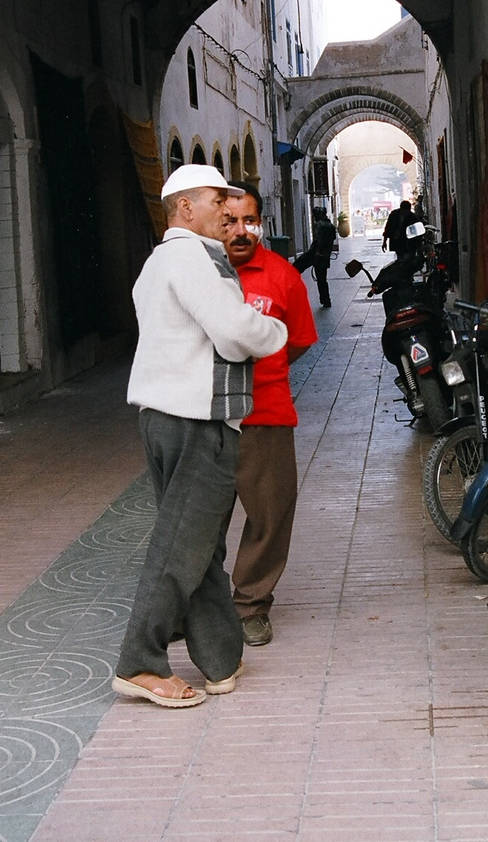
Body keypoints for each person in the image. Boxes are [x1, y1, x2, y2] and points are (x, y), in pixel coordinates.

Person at [112, 164, 288, 708]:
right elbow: (235, 334)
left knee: (198, 543)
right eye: (217, 200)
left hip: (166, 419)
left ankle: (219, 656)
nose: (225, 211)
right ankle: (139, 663)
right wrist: (272, 332)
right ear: (186, 207)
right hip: (197, 421)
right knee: (181, 545)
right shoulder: (190, 257)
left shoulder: (159, 261)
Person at [222, 183, 318, 646]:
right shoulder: (201, 273)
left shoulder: (283, 276)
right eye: (231, 221)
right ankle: (200, 606)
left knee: (271, 513)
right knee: (200, 517)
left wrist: (264, 372)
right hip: (204, 416)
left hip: (266, 413)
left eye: (250, 221)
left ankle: (250, 605)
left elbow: (297, 340)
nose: (241, 231)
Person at [293, 206, 337, 308]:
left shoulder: (320, 225)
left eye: (315, 216)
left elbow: (319, 241)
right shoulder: (330, 225)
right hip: (324, 256)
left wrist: (316, 253)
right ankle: (326, 300)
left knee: (295, 269)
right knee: (322, 280)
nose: (314, 218)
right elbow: (332, 239)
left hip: (315, 254)